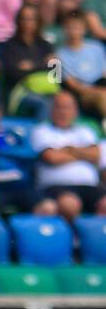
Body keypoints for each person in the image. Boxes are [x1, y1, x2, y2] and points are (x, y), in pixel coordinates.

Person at [30, 90, 106, 220]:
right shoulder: (41, 131)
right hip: (57, 187)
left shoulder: (85, 131)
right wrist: (82, 152)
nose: (63, 112)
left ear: (75, 111)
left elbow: (96, 155)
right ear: (52, 110)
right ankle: (74, 238)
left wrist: (67, 150)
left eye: (67, 108)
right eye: (59, 107)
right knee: (69, 204)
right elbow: (52, 158)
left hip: (90, 187)